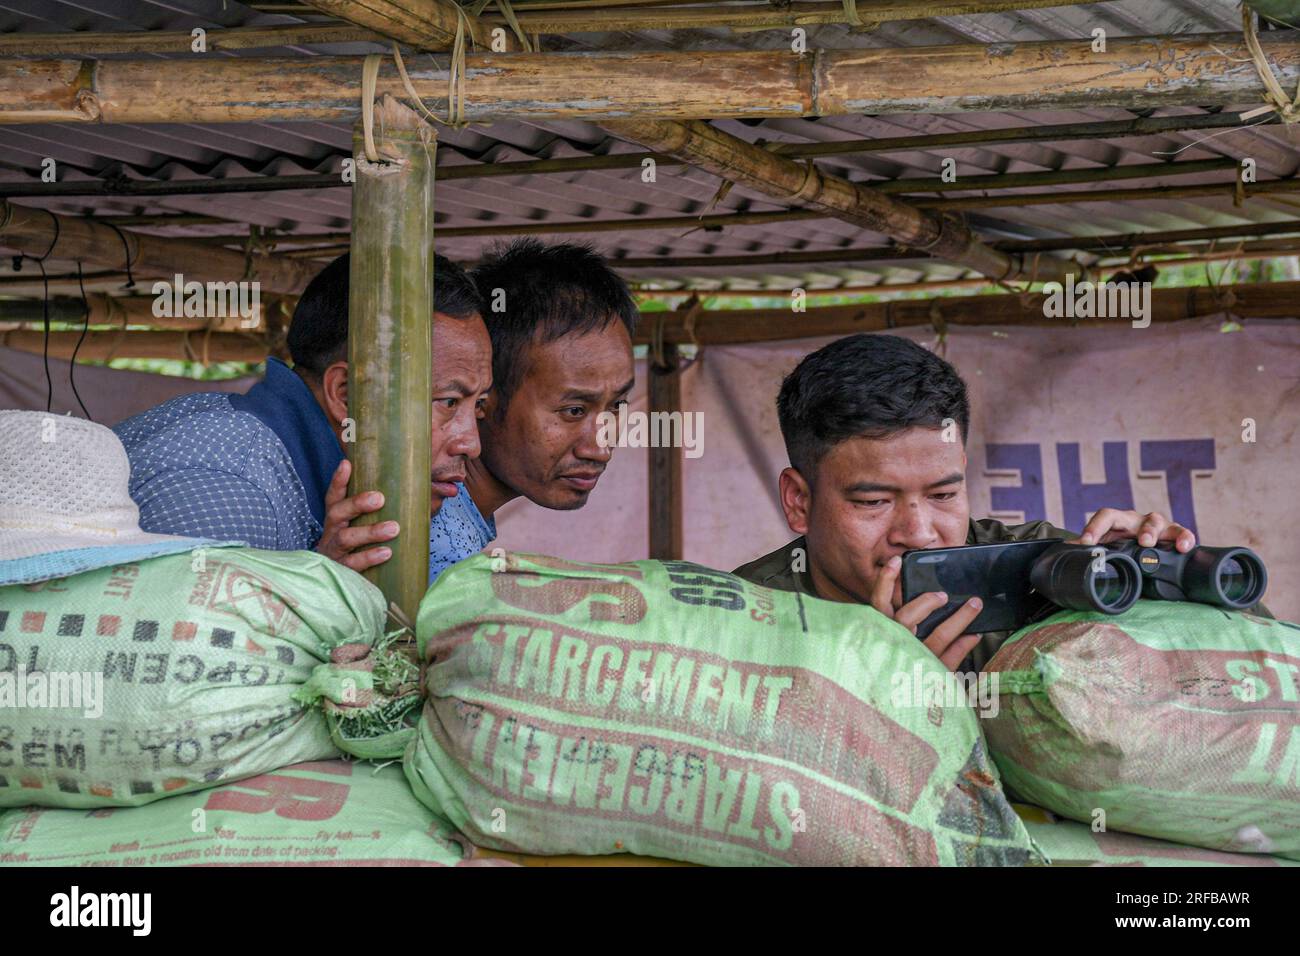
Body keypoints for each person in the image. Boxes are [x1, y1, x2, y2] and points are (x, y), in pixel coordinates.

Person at [732, 333, 1201, 674]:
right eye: (874, 500)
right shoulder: (737, 621)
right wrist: (875, 691)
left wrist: (1166, 579)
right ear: (799, 501)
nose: (918, 533)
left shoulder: (1044, 570)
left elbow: (1243, 651)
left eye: (943, 494)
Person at [115, 253, 492, 574]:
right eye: (448, 402)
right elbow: (182, 652)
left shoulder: (273, 457)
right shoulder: (238, 497)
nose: (471, 444)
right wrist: (320, 589)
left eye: (478, 405)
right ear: (346, 396)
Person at [428, 239, 637, 582]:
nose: (599, 448)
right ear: (484, 394)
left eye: (616, 406)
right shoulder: (437, 545)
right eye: (573, 410)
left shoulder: (458, 521)